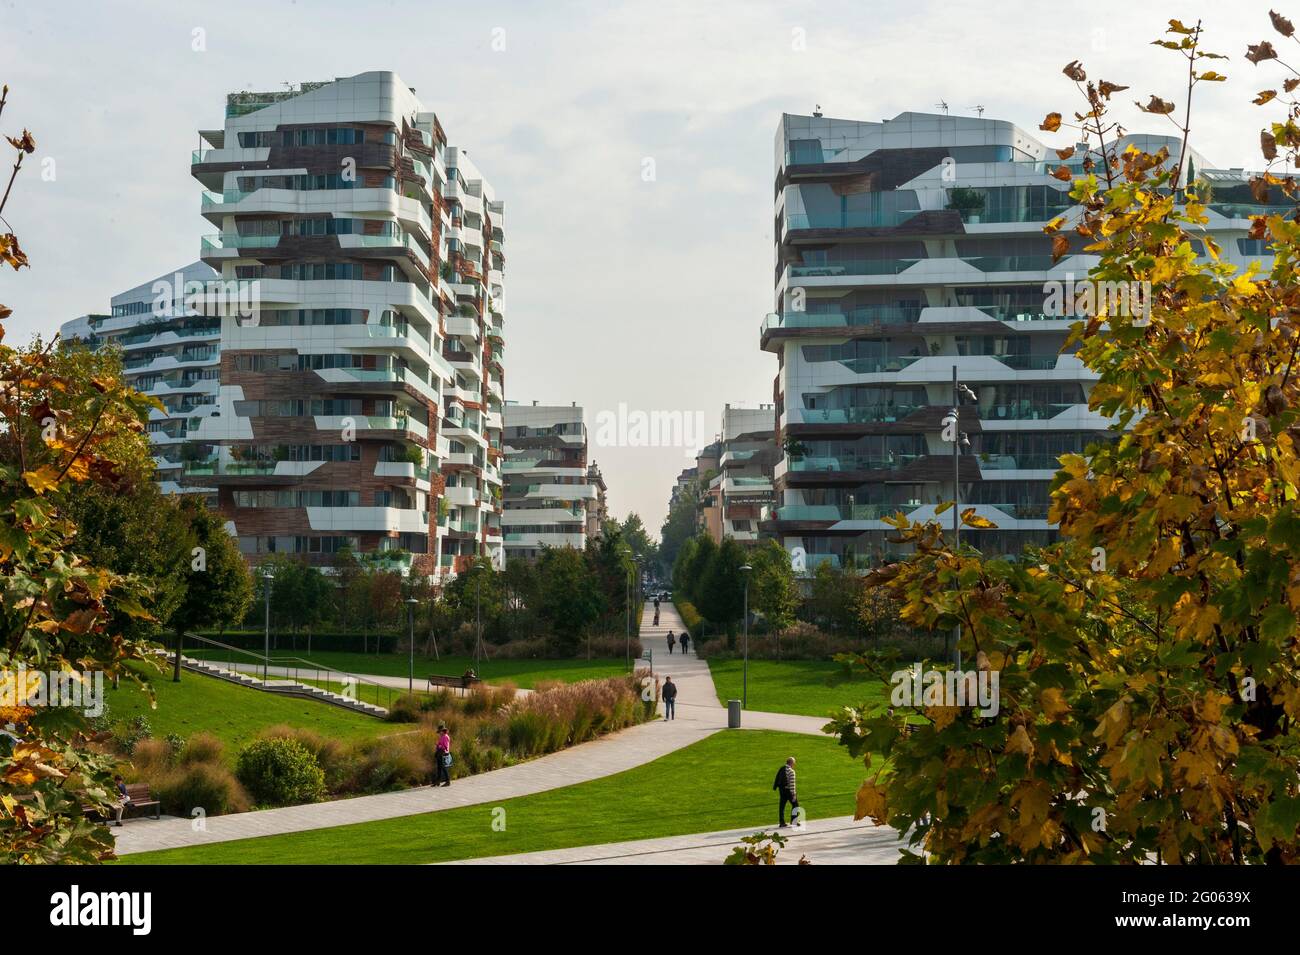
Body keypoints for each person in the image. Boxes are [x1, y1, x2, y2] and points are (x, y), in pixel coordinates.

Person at [773, 756, 799, 827]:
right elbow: (792, 784)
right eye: (794, 763)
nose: (794, 764)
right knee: (795, 805)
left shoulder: (782, 768)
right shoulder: (791, 771)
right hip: (788, 791)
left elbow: (777, 778)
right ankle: (794, 821)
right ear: (791, 763)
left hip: (781, 790)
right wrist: (793, 794)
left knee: (782, 806)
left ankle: (782, 822)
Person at [434, 723, 452, 787]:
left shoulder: (446, 737)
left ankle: (448, 781)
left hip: (444, 753)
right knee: (439, 767)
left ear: (442, 731)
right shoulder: (442, 736)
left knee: (444, 768)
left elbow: (445, 747)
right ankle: (437, 781)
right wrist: (438, 745)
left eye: (440, 731)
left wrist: (438, 745)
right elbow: (440, 745)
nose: (439, 733)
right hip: (440, 753)